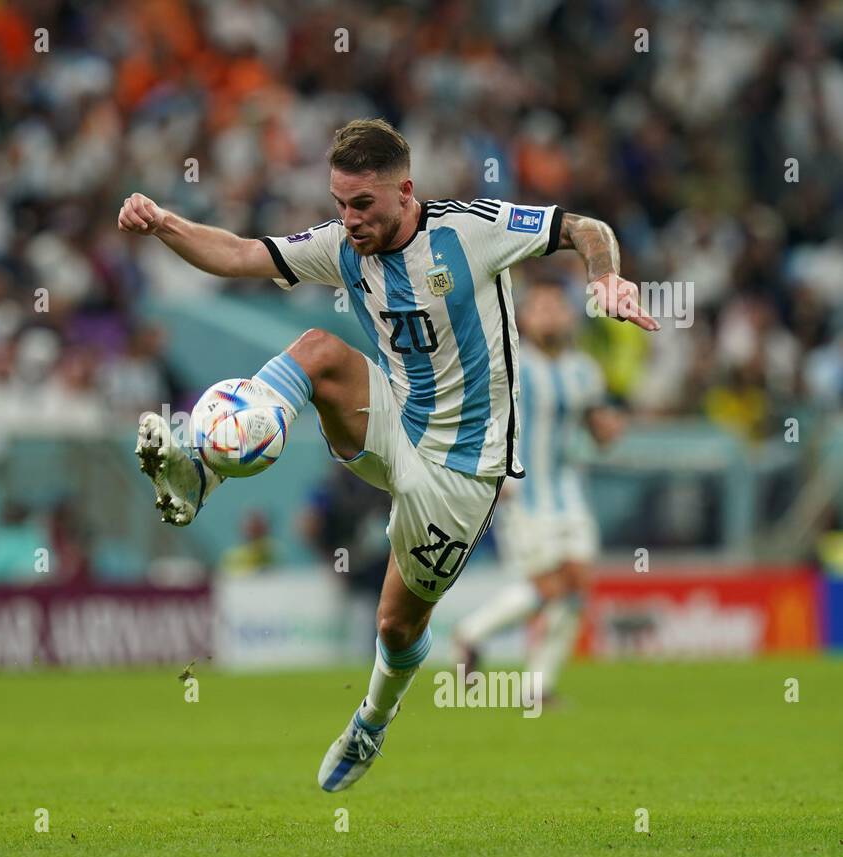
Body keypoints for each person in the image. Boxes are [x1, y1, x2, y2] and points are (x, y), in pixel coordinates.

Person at [119, 118, 657, 792]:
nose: (348, 221)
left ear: (405, 192)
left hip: (462, 472)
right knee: (317, 349)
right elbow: (237, 255)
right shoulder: (345, 246)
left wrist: (606, 279)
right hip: (394, 422)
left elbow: (586, 228)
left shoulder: (474, 229)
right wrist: (165, 222)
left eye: (362, 205)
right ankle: (203, 470)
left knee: (398, 626)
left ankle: (371, 721)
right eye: (340, 204)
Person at [450, 279, 625, 702]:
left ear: (569, 316)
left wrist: (607, 429)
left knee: (576, 588)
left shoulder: (585, 369)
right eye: (540, 306)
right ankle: (470, 634)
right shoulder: (509, 363)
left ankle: (537, 686)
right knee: (550, 586)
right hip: (523, 490)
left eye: (556, 306)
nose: (549, 313)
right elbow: (477, 415)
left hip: (570, 492)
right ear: (524, 319)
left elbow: (598, 428)